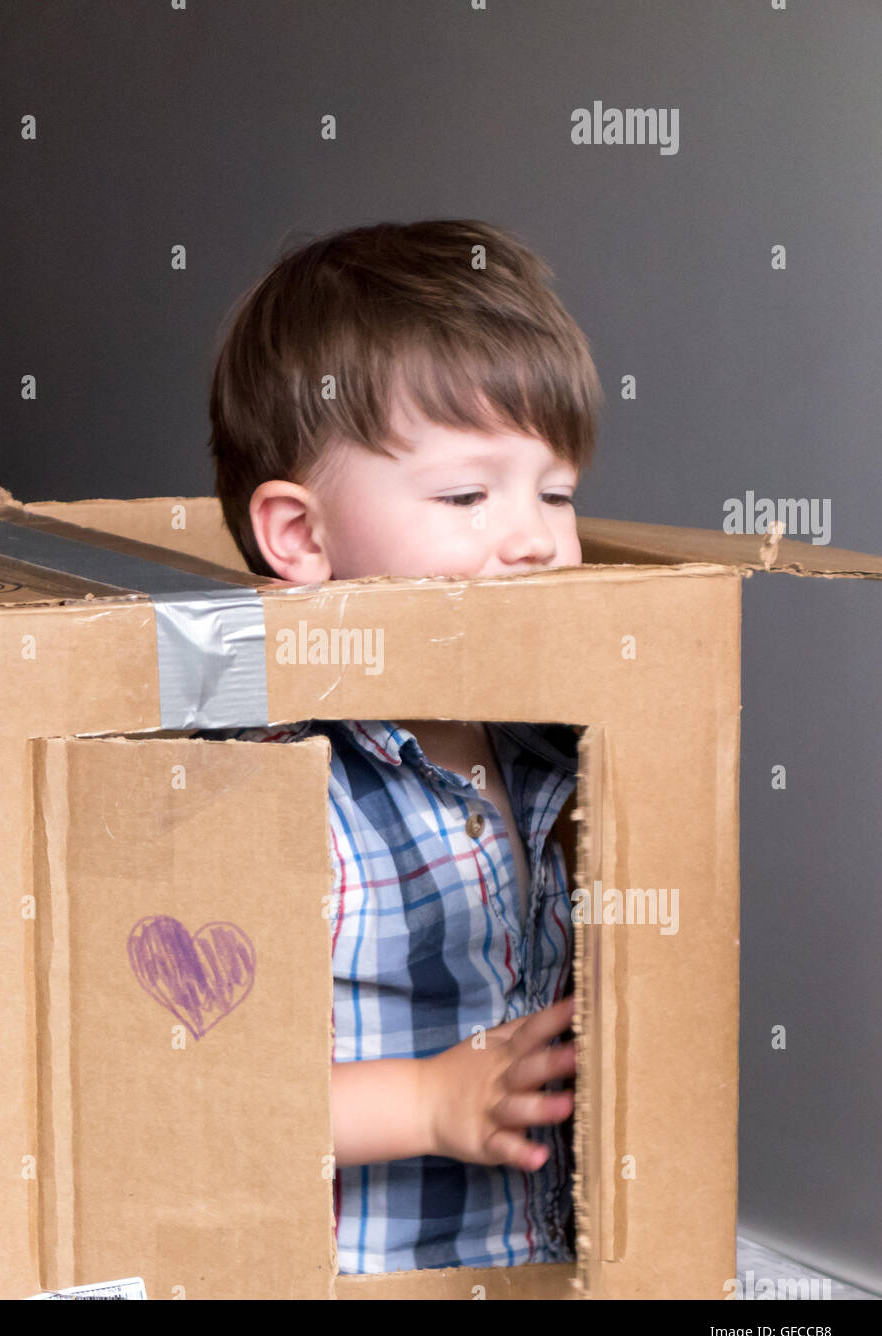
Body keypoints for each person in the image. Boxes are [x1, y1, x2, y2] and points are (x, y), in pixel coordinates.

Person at [196, 218, 603, 1274]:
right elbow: (189, 1088)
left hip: (530, 1259)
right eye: (466, 495)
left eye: (554, 492)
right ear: (301, 535)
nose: (534, 537)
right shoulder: (280, 789)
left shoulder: (547, 754)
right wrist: (424, 1099)